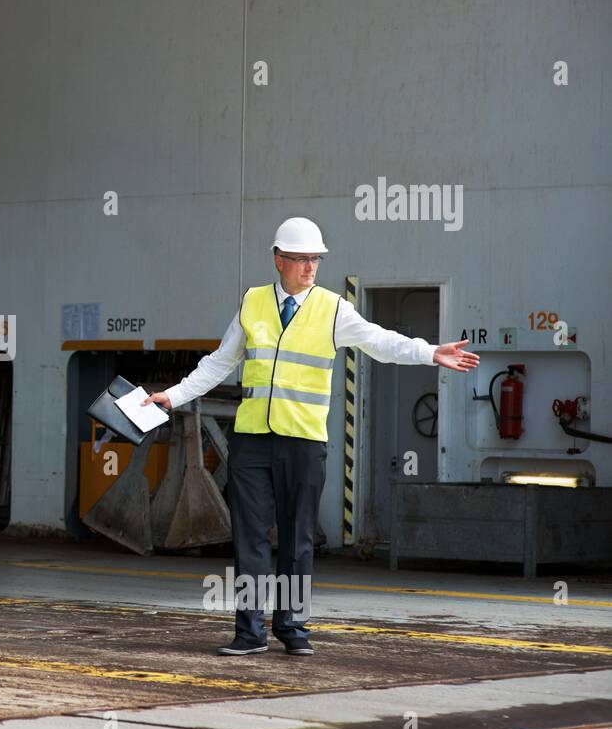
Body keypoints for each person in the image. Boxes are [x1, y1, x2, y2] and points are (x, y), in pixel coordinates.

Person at [141, 217, 479, 656]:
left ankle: (292, 628)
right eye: (301, 259)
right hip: (252, 442)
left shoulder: (333, 309)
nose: (310, 267)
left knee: (298, 539)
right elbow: (220, 363)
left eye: (316, 259)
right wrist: (173, 395)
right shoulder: (252, 303)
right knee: (250, 539)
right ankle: (249, 632)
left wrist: (430, 352)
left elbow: (380, 342)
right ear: (279, 259)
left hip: (302, 443)